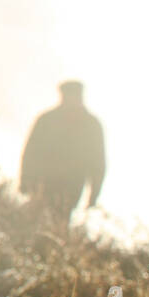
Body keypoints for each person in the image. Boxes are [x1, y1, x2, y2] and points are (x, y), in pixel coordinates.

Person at [20, 81, 105, 223]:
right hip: (44, 183)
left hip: (71, 186)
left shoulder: (91, 125)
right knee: (38, 221)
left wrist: (94, 194)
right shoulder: (47, 120)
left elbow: (98, 162)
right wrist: (25, 180)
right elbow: (31, 152)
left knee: (59, 221)